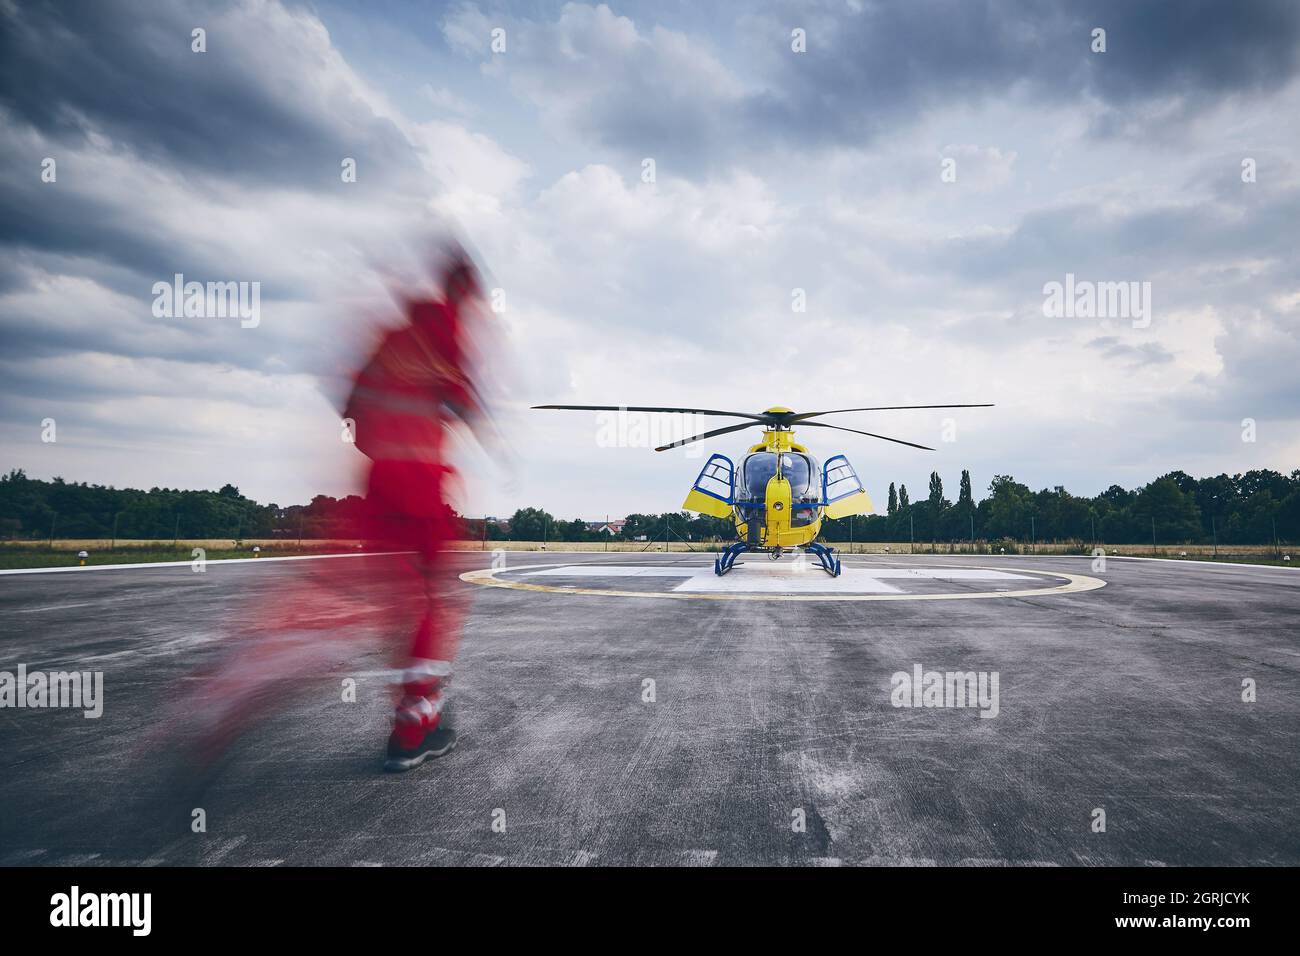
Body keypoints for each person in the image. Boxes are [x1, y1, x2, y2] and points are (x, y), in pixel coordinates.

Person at [345, 249, 489, 770]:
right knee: (433, 598)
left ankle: (416, 714)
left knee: (398, 604)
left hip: (378, 481)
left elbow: (352, 409)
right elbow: (464, 400)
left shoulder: (389, 336)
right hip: (421, 481)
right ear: (464, 294)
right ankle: (414, 721)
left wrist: (386, 452)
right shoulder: (446, 329)